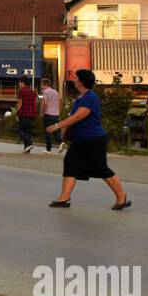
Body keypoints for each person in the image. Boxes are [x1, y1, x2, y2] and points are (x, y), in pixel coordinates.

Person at [45, 68, 130, 210]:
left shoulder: (91, 97)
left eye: (77, 77)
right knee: (70, 164)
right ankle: (64, 198)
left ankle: (122, 197)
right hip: (80, 140)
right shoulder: (80, 97)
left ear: (82, 81)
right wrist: (66, 129)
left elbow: (79, 116)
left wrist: (58, 125)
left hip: (93, 139)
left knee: (101, 168)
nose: (74, 80)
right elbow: (74, 118)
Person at [16, 79, 39, 153]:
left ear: (23, 83)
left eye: (19, 82)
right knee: (27, 131)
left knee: (20, 131)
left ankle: (29, 143)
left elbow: (20, 103)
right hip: (31, 114)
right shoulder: (33, 92)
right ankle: (27, 149)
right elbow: (35, 103)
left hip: (23, 113)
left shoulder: (21, 91)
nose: (19, 84)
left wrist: (17, 113)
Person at [40, 77, 61, 152]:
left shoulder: (45, 92)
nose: (41, 87)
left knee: (48, 131)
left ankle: (48, 149)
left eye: (41, 85)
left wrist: (42, 112)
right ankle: (61, 142)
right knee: (55, 130)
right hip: (56, 114)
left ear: (45, 84)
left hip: (48, 114)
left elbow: (45, 103)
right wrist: (58, 111)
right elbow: (59, 102)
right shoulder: (55, 91)